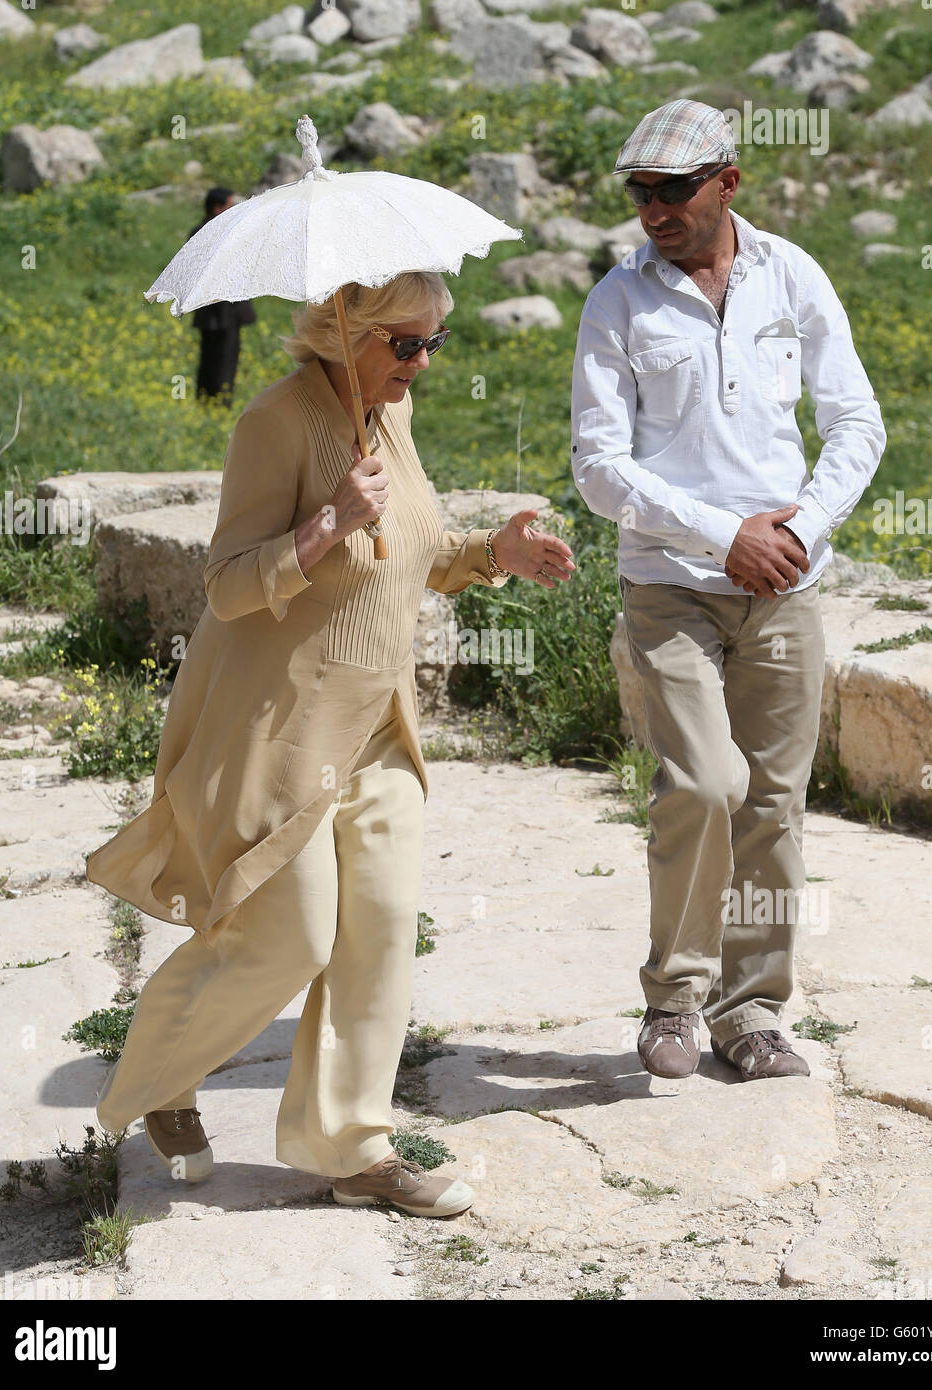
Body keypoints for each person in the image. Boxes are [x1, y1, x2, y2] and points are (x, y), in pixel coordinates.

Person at [86, 270, 576, 1216]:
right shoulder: (274, 423)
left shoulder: (388, 417)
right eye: (407, 344)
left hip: (379, 727)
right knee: (288, 938)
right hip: (284, 729)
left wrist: (490, 555)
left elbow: (409, 557)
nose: (423, 363)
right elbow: (228, 585)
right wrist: (325, 524)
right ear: (344, 331)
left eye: (436, 342)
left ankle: (354, 1151)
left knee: (381, 934)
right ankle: (162, 1075)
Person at [570, 100, 886, 1082]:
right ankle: (672, 999)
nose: (653, 210)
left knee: (774, 805)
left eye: (671, 191)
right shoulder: (616, 303)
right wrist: (724, 534)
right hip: (669, 584)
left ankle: (751, 1013)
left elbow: (856, 419)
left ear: (727, 183)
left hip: (784, 581)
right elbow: (596, 467)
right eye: (639, 194)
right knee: (705, 784)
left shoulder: (790, 276)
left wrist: (796, 528)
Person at [187, 187, 257, 405]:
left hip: (214, 310)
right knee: (222, 360)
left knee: (212, 358)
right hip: (223, 310)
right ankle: (220, 403)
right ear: (217, 209)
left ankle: (207, 401)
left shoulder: (200, 231)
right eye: (230, 205)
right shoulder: (215, 234)